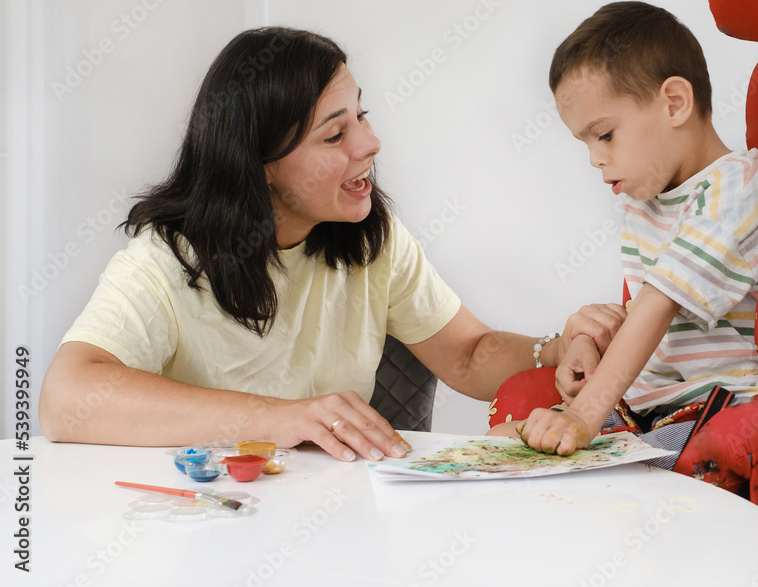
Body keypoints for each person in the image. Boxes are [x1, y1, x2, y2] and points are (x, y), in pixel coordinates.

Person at [38, 27, 621, 462]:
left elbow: (468, 355)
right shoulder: (168, 260)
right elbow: (65, 399)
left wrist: (557, 349)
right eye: (336, 133)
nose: (370, 143)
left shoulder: (374, 241)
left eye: (361, 116)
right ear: (260, 164)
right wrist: (281, 419)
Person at [490, 2, 758, 459]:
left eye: (605, 135)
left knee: (611, 466)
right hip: (647, 405)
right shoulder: (646, 199)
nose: (594, 159)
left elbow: (660, 304)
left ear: (674, 103)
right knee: (500, 444)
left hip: (720, 405)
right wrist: (588, 341)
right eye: (585, 143)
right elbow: (646, 314)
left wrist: (582, 416)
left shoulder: (737, 188)